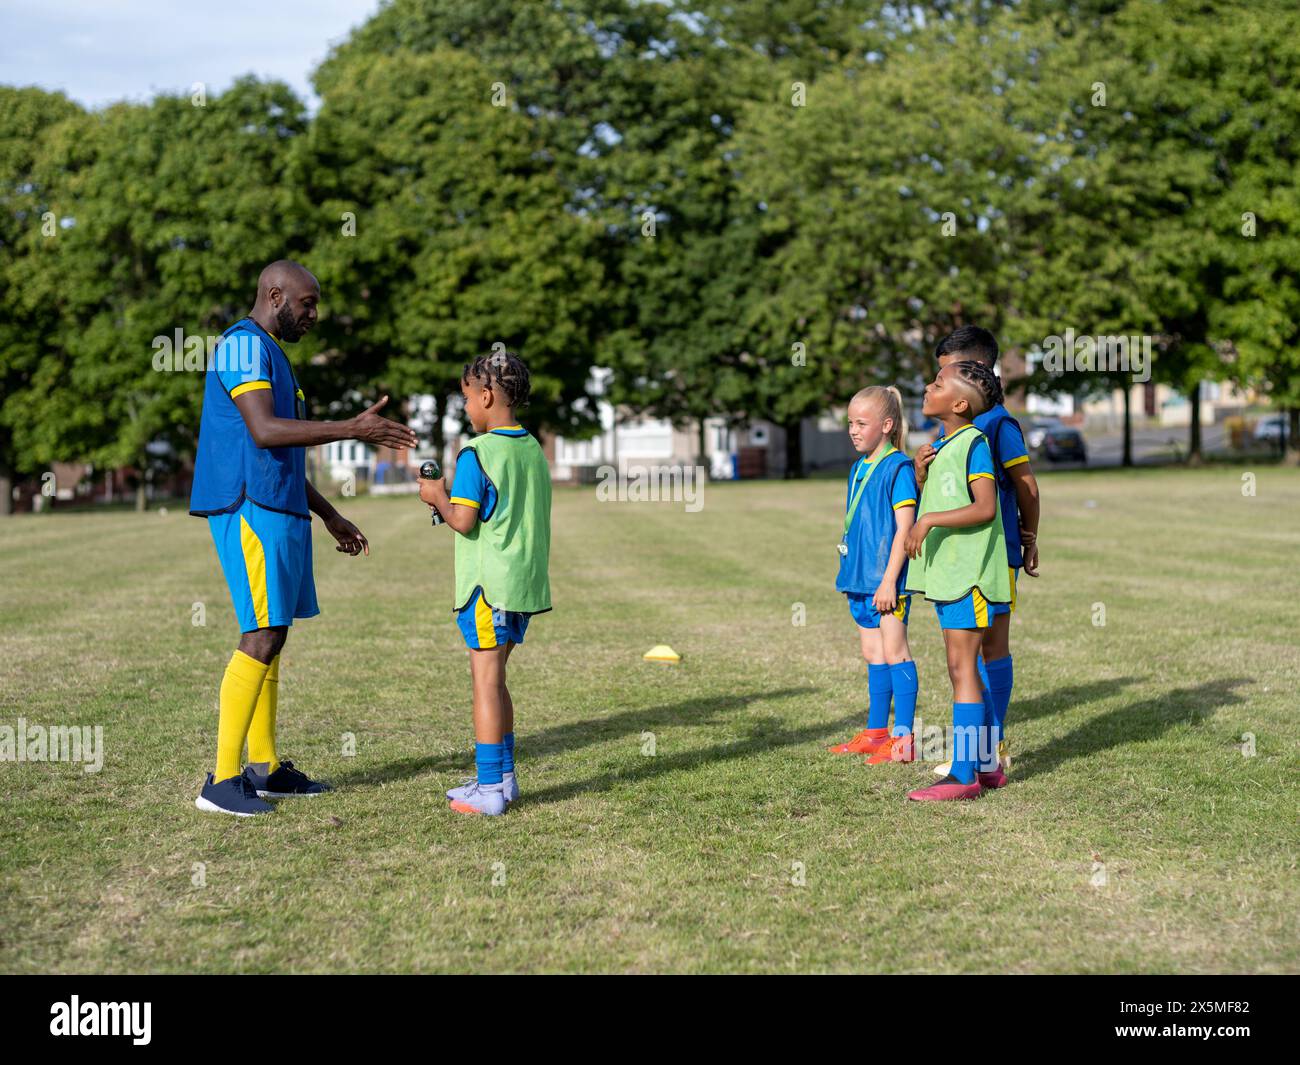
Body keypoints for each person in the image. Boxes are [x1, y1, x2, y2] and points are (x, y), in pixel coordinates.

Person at [189, 260, 418, 816]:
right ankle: (220, 781)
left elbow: (283, 449)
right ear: (274, 295)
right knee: (262, 633)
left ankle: (264, 768)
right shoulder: (242, 347)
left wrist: (329, 515)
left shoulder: (272, 353)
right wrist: (352, 428)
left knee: (274, 634)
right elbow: (265, 431)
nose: (314, 314)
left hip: (282, 507)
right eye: (307, 303)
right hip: (251, 508)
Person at [418, 351, 552, 816]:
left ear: (487, 396)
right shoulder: (532, 449)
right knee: (496, 680)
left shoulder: (477, 454)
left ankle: (490, 787)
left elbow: (465, 520)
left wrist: (436, 496)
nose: (467, 408)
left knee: (484, 682)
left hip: (487, 588)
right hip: (522, 587)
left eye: (467, 399)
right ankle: (506, 777)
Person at [920, 326, 1041, 776]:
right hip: (956, 558)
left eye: (946, 373)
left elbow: (1025, 485)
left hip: (992, 554)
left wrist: (1028, 538)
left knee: (990, 649)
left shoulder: (995, 424)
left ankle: (991, 747)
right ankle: (983, 750)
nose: (938, 381)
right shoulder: (952, 429)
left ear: (976, 372)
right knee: (967, 657)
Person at [903, 360, 1011, 801]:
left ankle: (963, 774)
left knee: (962, 668)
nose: (928, 386)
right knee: (961, 668)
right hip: (951, 577)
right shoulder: (944, 445)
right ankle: (986, 767)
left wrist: (927, 520)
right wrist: (922, 475)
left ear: (960, 403)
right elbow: (951, 493)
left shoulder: (974, 444)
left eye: (938, 383)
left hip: (971, 579)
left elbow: (985, 507)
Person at [826, 386, 921, 765]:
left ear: (886, 425)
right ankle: (876, 733)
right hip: (859, 579)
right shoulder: (857, 467)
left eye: (861, 423)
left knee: (896, 652)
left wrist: (888, 581)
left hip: (886, 582)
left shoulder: (898, 468)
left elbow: (905, 528)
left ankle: (904, 740)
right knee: (872, 652)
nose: (853, 430)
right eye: (849, 422)